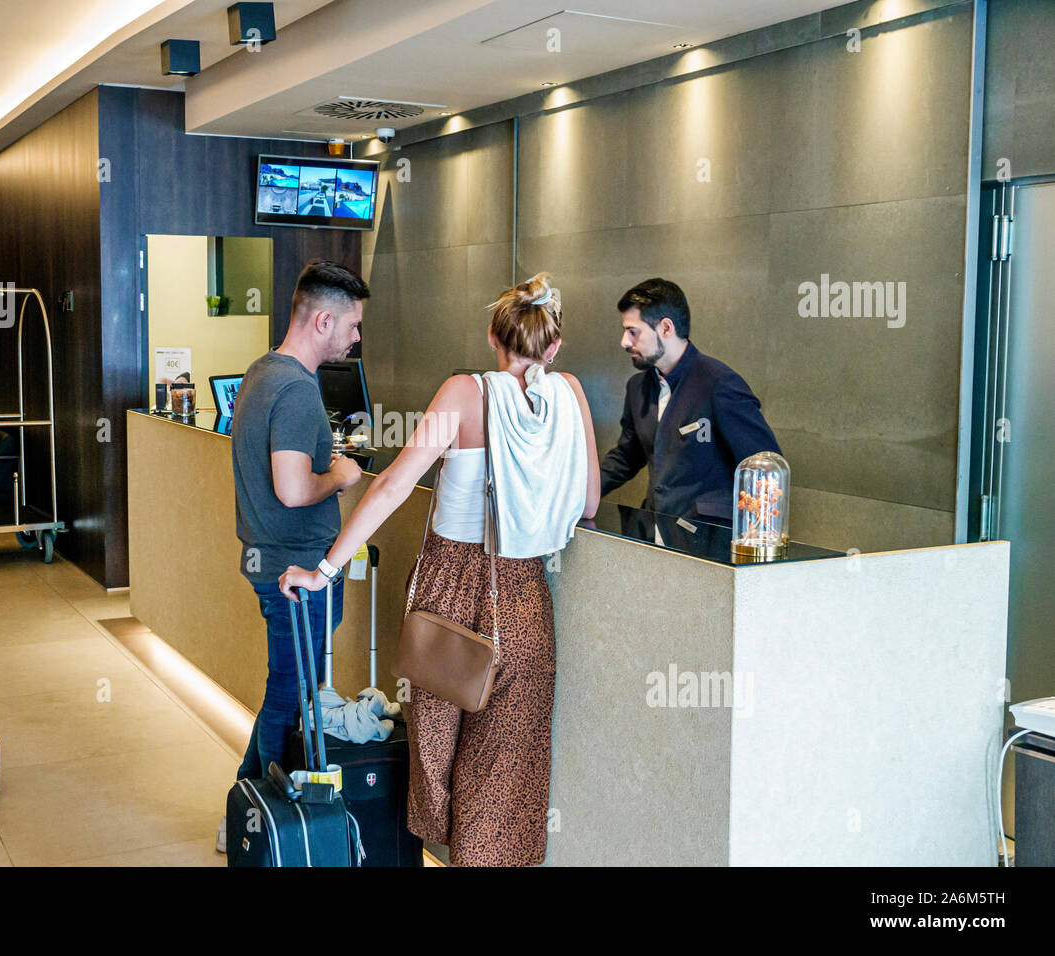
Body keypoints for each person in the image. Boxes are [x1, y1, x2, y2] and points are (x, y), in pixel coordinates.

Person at [281, 273, 601, 866]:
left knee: (435, 758)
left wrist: (324, 570)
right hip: (523, 598)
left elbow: (392, 487)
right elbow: (588, 503)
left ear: (492, 336)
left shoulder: (463, 392)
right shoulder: (571, 393)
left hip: (448, 593)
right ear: (554, 346)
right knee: (505, 776)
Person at [219, 259, 369, 850]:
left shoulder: (262, 371)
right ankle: (259, 823)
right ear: (323, 320)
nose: (356, 338)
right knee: (290, 693)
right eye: (353, 325)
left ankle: (246, 813)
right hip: (297, 570)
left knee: (288, 686)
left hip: (269, 559)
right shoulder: (300, 389)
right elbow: (291, 487)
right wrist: (341, 475)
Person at [600, 278, 780, 525]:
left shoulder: (720, 384)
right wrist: (578, 497)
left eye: (633, 332)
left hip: (709, 540)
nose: (624, 342)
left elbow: (765, 466)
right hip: (652, 532)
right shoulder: (637, 388)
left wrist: (755, 535)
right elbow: (626, 456)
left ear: (666, 328)